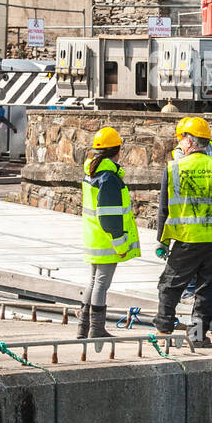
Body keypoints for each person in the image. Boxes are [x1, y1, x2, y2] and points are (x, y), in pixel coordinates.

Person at [154, 117, 212, 338]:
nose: (180, 144)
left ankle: (164, 330)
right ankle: (197, 336)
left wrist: (162, 241)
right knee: (208, 290)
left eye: (181, 139)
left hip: (187, 239)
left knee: (170, 285)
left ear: (190, 142)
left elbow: (164, 209)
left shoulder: (173, 168)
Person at [78, 127, 141, 339]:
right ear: (117, 151)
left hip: (93, 238)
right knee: (101, 285)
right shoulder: (109, 179)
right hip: (107, 241)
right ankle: (96, 329)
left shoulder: (91, 173)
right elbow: (111, 219)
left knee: (93, 282)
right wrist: (121, 245)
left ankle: (82, 328)